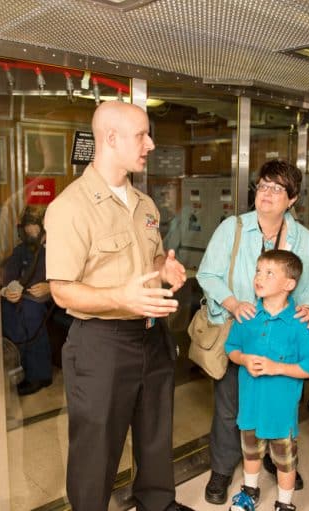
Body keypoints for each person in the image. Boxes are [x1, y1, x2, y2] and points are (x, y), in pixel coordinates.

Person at [44, 101, 194, 511]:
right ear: (110, 138)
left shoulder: (144, 203)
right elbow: (62, 291)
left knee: (155, 434)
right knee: (96, 451)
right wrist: (121, 298)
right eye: (142, 135)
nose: (151, 144)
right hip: (101, 343)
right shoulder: (71, 207)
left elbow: (152, 258)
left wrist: (165, 268)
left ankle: (158, 504)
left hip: (151, 336)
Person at [196, 160, 309, 505]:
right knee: (229, 405)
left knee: (279, 401)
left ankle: (276, 459)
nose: (266, 193)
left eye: (277, 188)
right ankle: (222, 469)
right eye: (263, 185)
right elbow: (207, 274)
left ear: (292, 199)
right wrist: (233, 303)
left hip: (281, 337)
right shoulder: (233, 228)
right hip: (240, 330)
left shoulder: (303, 240)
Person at [225, 249, 309, 511]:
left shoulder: (300, 323)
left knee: (285, 462)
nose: (259, 277)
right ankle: (249, 493)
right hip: (251, 407)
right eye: (258, 271)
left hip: (281, 413)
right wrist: (243, 359)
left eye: (269, 273)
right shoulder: (246, 316)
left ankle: (284, 504)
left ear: (289, 284)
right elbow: (231, 348)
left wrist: (277, 367)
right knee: (251, 454)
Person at [0, 205, 53, 395]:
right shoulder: (21, 250)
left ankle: (40, 375)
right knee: (7, 309)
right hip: (25, 296)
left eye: (35, 228)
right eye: (28, 228)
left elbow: (71, 276)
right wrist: (7, 290)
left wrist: (51, 287)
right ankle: (18, 369)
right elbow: (9, 275)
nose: (31, 232)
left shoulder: (57, 249)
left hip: (50, 298)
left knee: (31, 313)